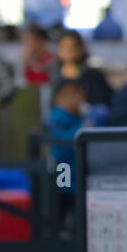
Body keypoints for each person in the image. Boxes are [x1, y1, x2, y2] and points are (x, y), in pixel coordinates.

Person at [46, 80, 87, 223]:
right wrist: (85, 127)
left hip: (76, 170)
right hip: (64, 168)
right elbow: (61, 137)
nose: (79, 99)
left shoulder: (78, 116)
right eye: (73, 95)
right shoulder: (57, 116)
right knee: (62, 202)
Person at [52, 29, 113, 108]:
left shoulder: (93, 77)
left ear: (81, 48)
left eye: (73, 47)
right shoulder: (53, 76)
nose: (69, 51)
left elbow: (104, 104)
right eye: (64, 47)